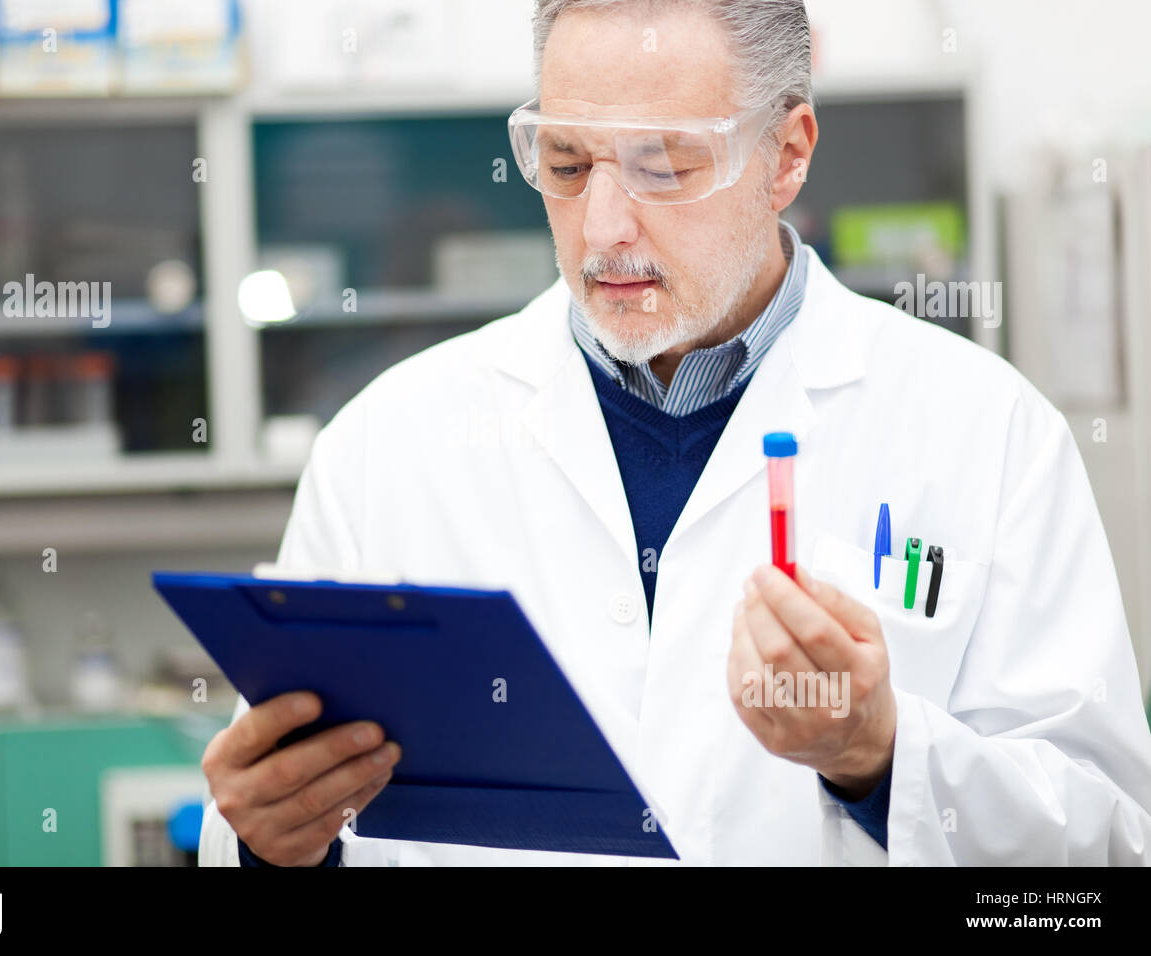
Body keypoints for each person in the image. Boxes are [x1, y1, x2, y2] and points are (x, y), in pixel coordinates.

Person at [199, 0, 1151, 865]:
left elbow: (1103, 852)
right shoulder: (386, 447)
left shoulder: (989, 434)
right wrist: (277, 853)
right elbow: (270, 808)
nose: (604, 226)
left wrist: (881, 756)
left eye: (663, 164)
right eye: (568, 165)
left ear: (787, 155)